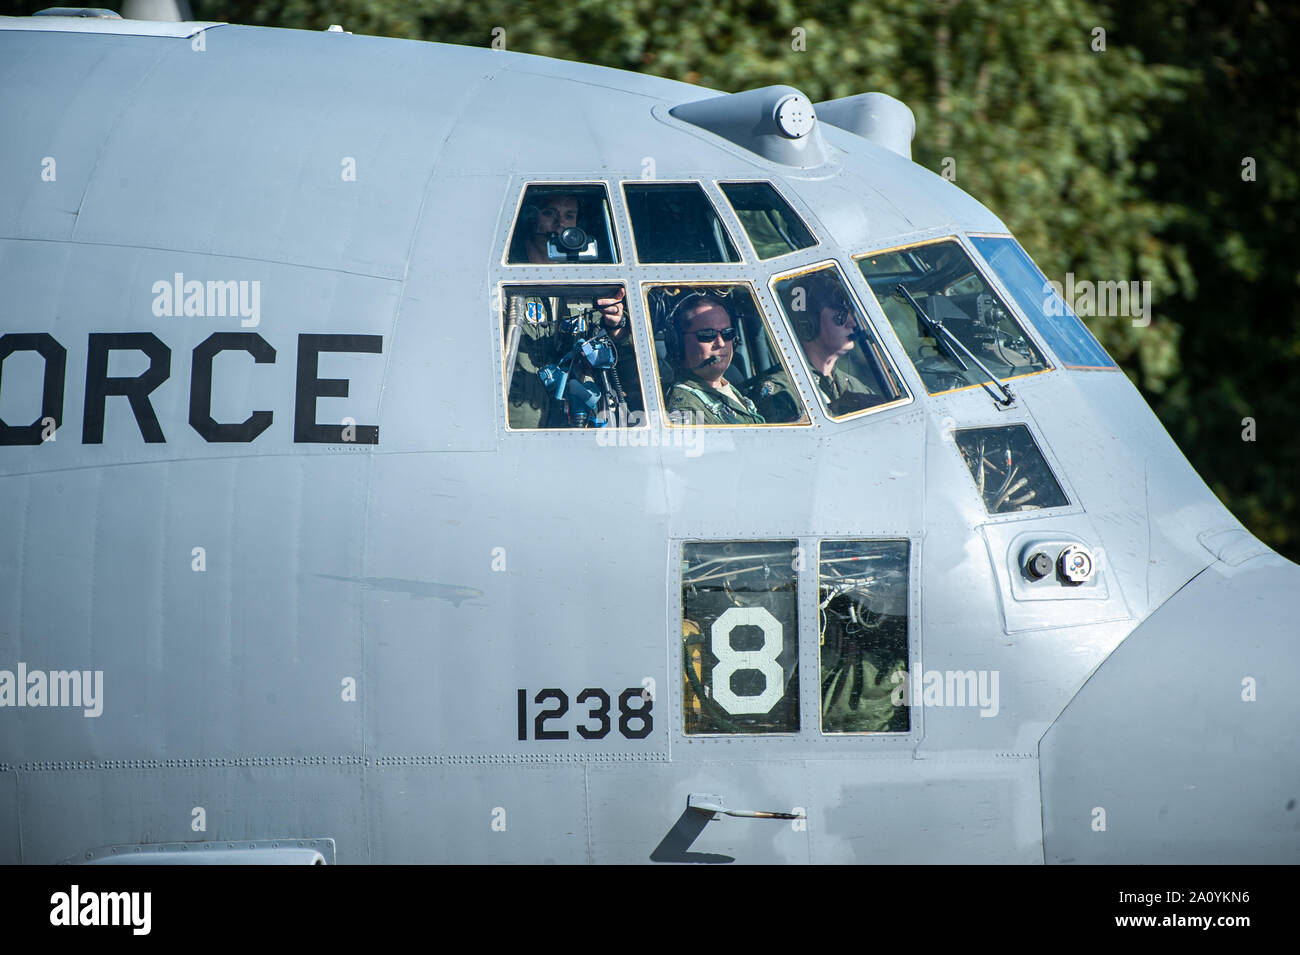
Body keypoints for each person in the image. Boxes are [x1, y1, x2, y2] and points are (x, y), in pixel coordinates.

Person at [755, 273, 879, 420]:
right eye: (841, 316)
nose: (853, 324)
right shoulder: (778, 393)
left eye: (851, 314)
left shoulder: (856, 387)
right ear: (808, 323)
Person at [664, 295, 765, 425]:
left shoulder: (726, 387)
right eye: (707, 335)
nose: (721, 343)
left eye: (727, 333)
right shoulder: (685, 410)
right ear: (679, 343)